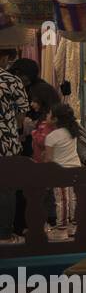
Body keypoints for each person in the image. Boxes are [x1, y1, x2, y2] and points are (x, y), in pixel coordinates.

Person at [0, 48, 29, 242]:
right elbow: (22, 113)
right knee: (6, 188)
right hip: (6, 141)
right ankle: (4, 234)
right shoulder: (11, 80)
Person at [42, 103, 82, 239]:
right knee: (73, 199)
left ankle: (61, 230)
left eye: (49, 114)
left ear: (55, 119)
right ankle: (73, 227)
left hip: (60, 171)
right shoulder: (72, 132)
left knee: (62, 200)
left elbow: (48, 160)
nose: (46, 116)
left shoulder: (52, 136)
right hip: (76, 169)